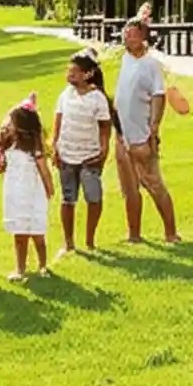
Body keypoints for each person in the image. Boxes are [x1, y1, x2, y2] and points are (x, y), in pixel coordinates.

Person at [113, 17, 181, 244]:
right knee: (129, 188)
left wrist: (154, 127)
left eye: (133, 33)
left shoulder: (150, 65)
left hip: (142, 134)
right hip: (123, 135)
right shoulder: (123, 59)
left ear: (143, 38)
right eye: (126, 33)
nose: (128, 37)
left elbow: (158, 96)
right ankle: (134, 234)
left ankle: (171, 233)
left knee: (154, 184)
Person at [51, 49, 112, 255]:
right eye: (68, 70)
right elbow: (58, 123)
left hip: (89, 158)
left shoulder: (97, 99)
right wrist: (55, 147)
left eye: (74, 71)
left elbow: (105, 127)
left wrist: (104, 150)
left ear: (87, 74)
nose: (69, 74)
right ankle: (68, 243)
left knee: (93, 198)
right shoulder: (65, 95)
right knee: (68, 199)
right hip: (67, 155)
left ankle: (90, 241)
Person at [0, 100, 55, 281]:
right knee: (19, 235)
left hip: (32, 195)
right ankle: (20, 269)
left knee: (37, 233)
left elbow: (44, 169)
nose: (8, 125)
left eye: (12, 122)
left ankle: (43, 265)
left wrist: (49, 187)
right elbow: (2, 165)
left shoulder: (34, 149)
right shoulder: (9, 146)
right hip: (15, 195)